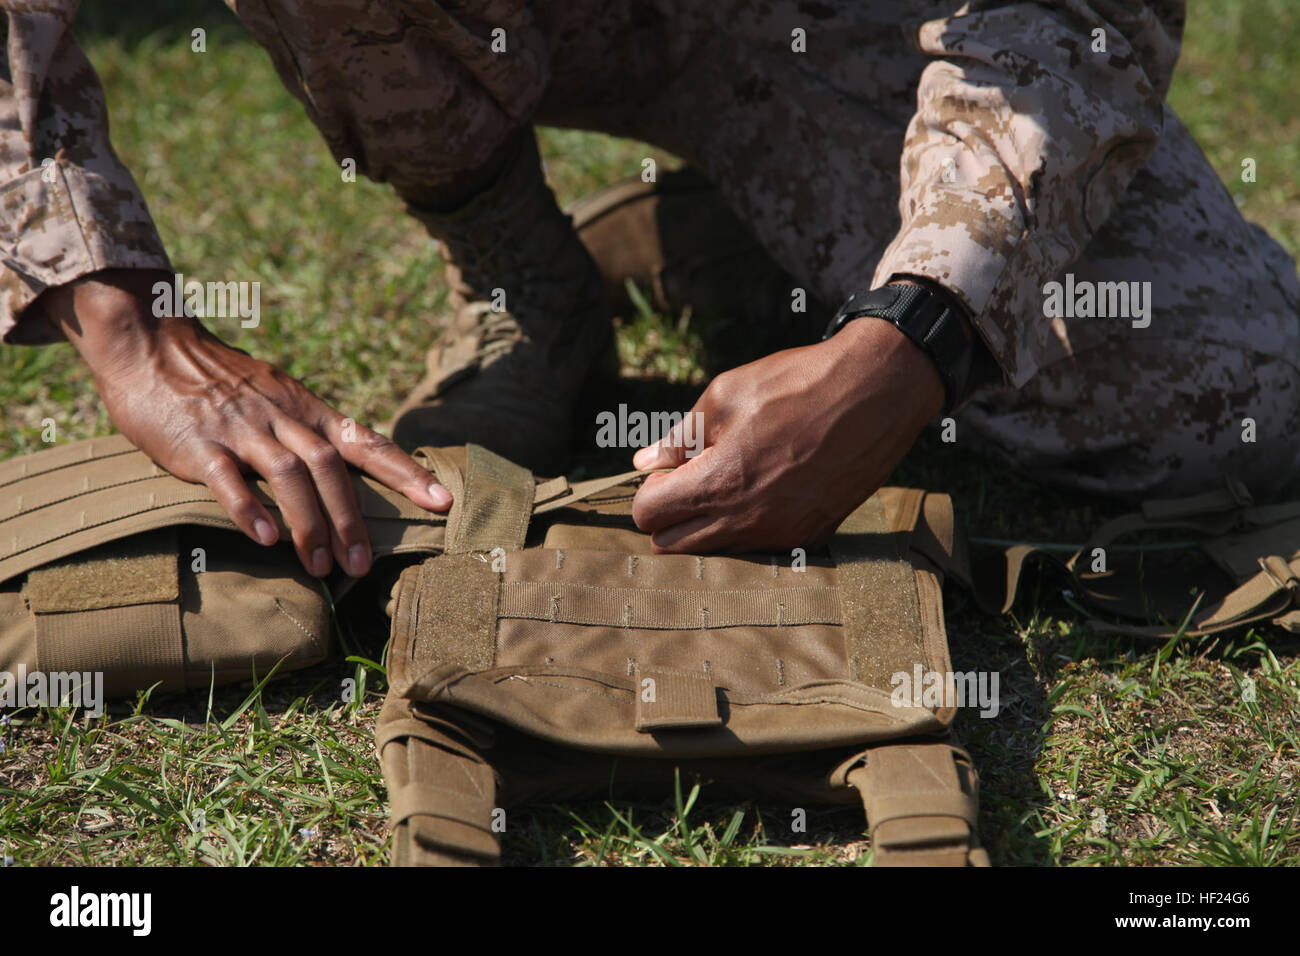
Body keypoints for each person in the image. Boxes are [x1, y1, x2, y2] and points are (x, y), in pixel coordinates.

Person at [3, 0, 1297, 575]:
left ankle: (792, 236)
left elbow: (1074, 10)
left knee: (1221, 401)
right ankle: (526, 282)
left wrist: (914, 334)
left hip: (863, 24)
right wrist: (122, 319)